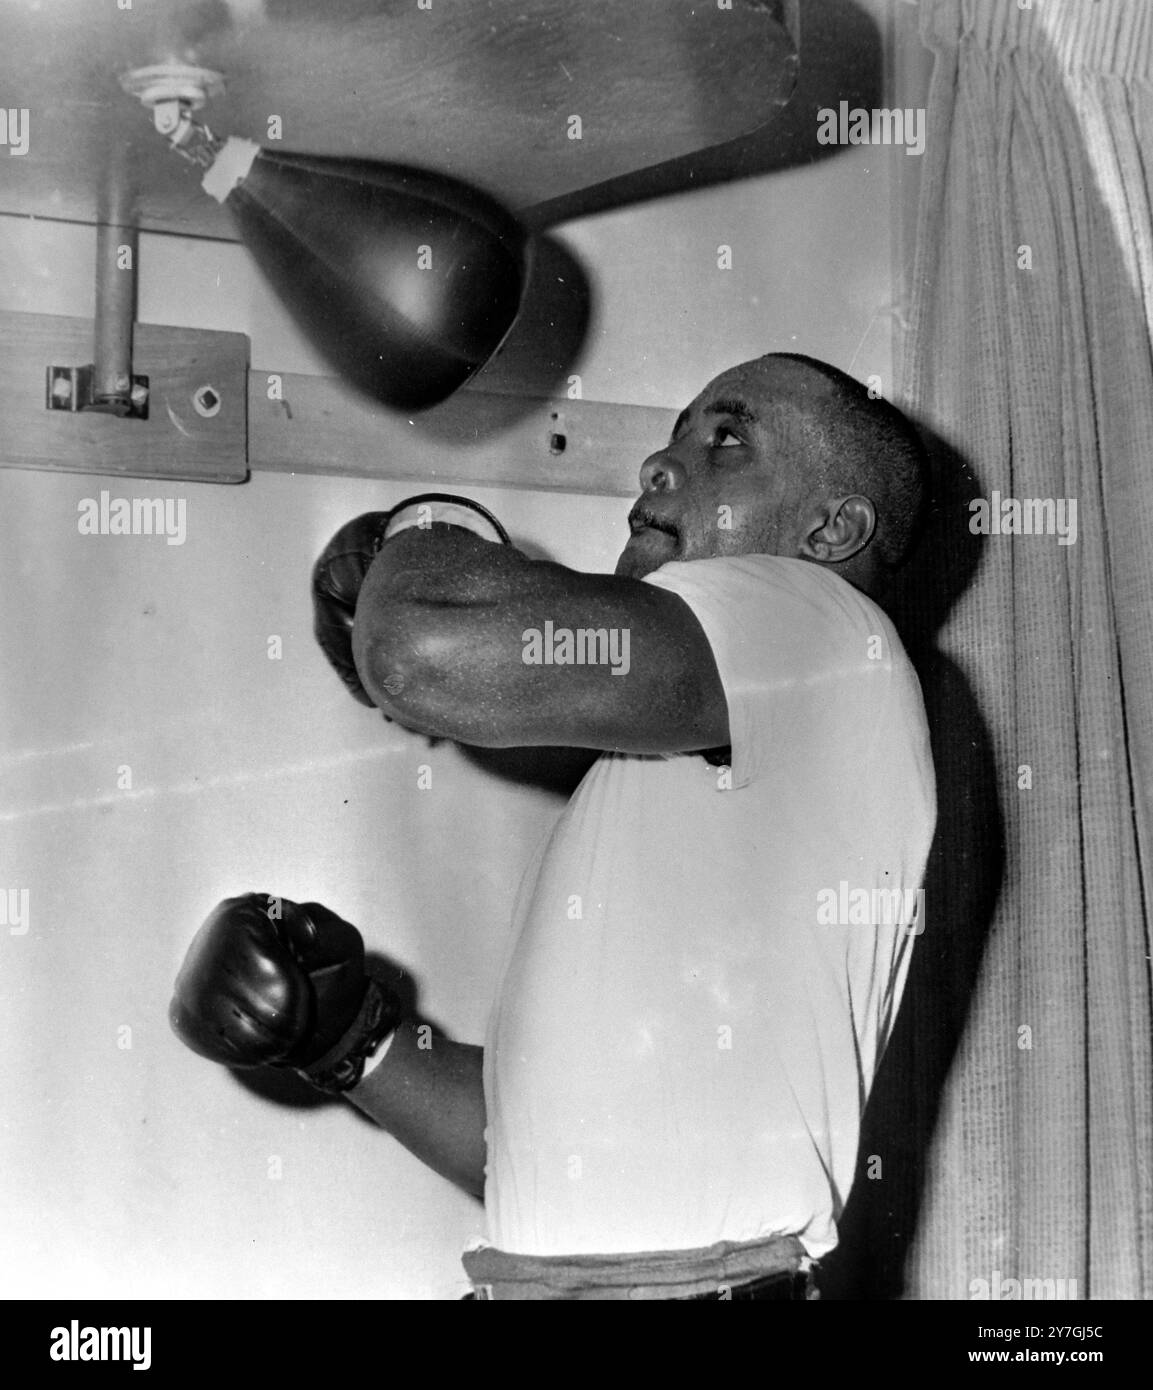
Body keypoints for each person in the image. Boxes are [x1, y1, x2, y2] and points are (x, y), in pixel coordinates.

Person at [170, 352, 937, 1300]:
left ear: (832, 530)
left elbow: (423, 647)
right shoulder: (684, 768)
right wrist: (346, 1043)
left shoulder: (816, 617)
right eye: (672, 434)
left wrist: (427, 529)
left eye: (725, 440)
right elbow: (542, 1172)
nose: (658, 464)